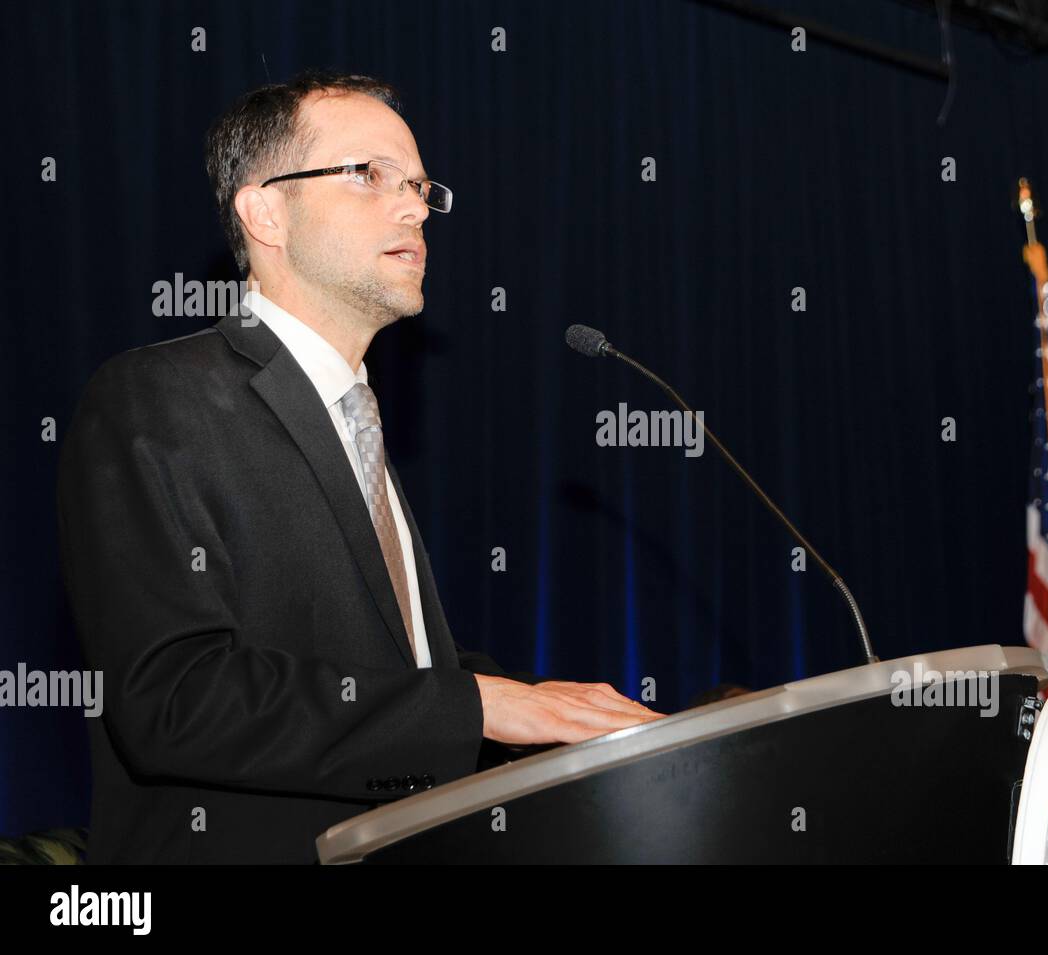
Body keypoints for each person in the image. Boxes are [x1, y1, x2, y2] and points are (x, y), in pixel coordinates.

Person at [56, 70, 662, 864]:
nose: (414, 206)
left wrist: (564, 726)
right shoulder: (155, 396)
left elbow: (390, 676)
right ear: (265, 210)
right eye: (369, 176)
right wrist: (480, 703)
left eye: (418, 185)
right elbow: (174, 700)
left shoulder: (358, 415)